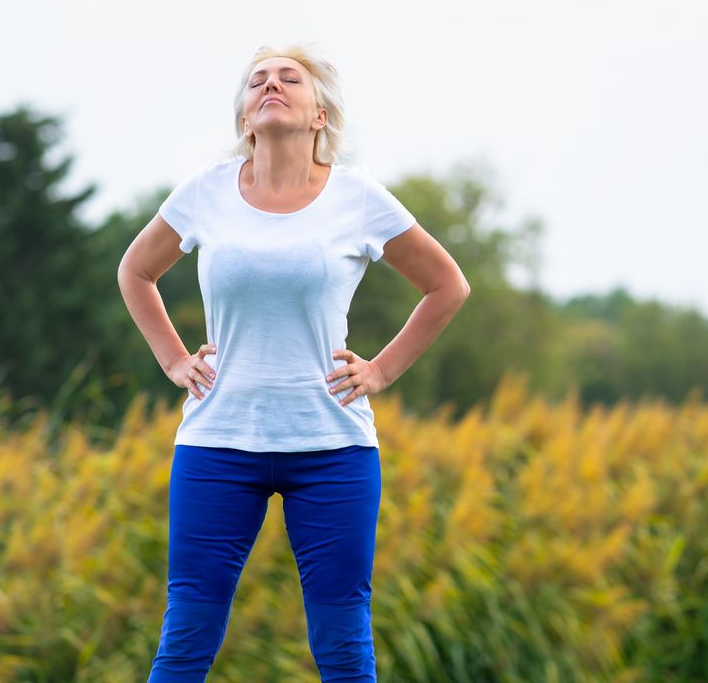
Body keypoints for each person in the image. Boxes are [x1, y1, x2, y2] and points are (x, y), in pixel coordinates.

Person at [116, 44, 470, 682]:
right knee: (187, 634)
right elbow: (135, 272)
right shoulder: (205, 192)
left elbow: (447, 285)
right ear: (245, 117)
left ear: (319, 116)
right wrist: (172, 359)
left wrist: (381, 370)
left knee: (342, 641)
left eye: (289, 79)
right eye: (257, 81)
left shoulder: (358, 197)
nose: (270, 85)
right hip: (218, 442)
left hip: (332, 448)